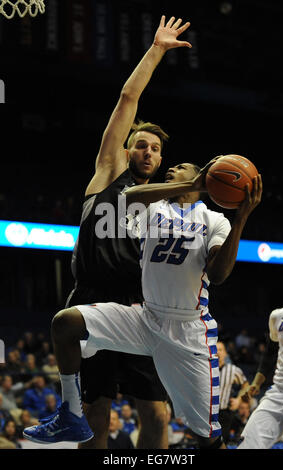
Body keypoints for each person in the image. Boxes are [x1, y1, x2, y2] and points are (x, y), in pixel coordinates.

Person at [23, 159, 262, 448]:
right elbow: (128, 197)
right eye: (170, 169)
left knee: (208, 440)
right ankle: (71, 413)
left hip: (188, 331)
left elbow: (219, 274)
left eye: (181, 167)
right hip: (145, 318)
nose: (172, 169)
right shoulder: (155, 207)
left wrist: (240, 220)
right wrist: (191, 184)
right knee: (65, 323)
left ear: (203, 175)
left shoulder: (214, 220)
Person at [48, 14, 193, 451]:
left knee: (155, 411)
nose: (147, 151)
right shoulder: (108, 173)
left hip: (140, 308)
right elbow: (128, 96)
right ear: (127, 149)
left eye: (155, 148)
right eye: (141, 144)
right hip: (92, 300)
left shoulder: (163, 205)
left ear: (162, 159)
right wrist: (157, 50)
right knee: (96, 413)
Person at [237, 272, 283, 449]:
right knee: (248, 445)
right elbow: (270, 354)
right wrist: (255, 383)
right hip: (279, 393)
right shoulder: (278, 316)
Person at [216, 341, 249, 444]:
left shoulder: (233, 370)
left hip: (224, 413)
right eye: (214, 349)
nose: (217, 352)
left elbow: (246, 385)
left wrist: (238, 400)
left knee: (222, 443)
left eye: (220, 350)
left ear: (225, 353)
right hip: (206, 412)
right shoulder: (205, 370)